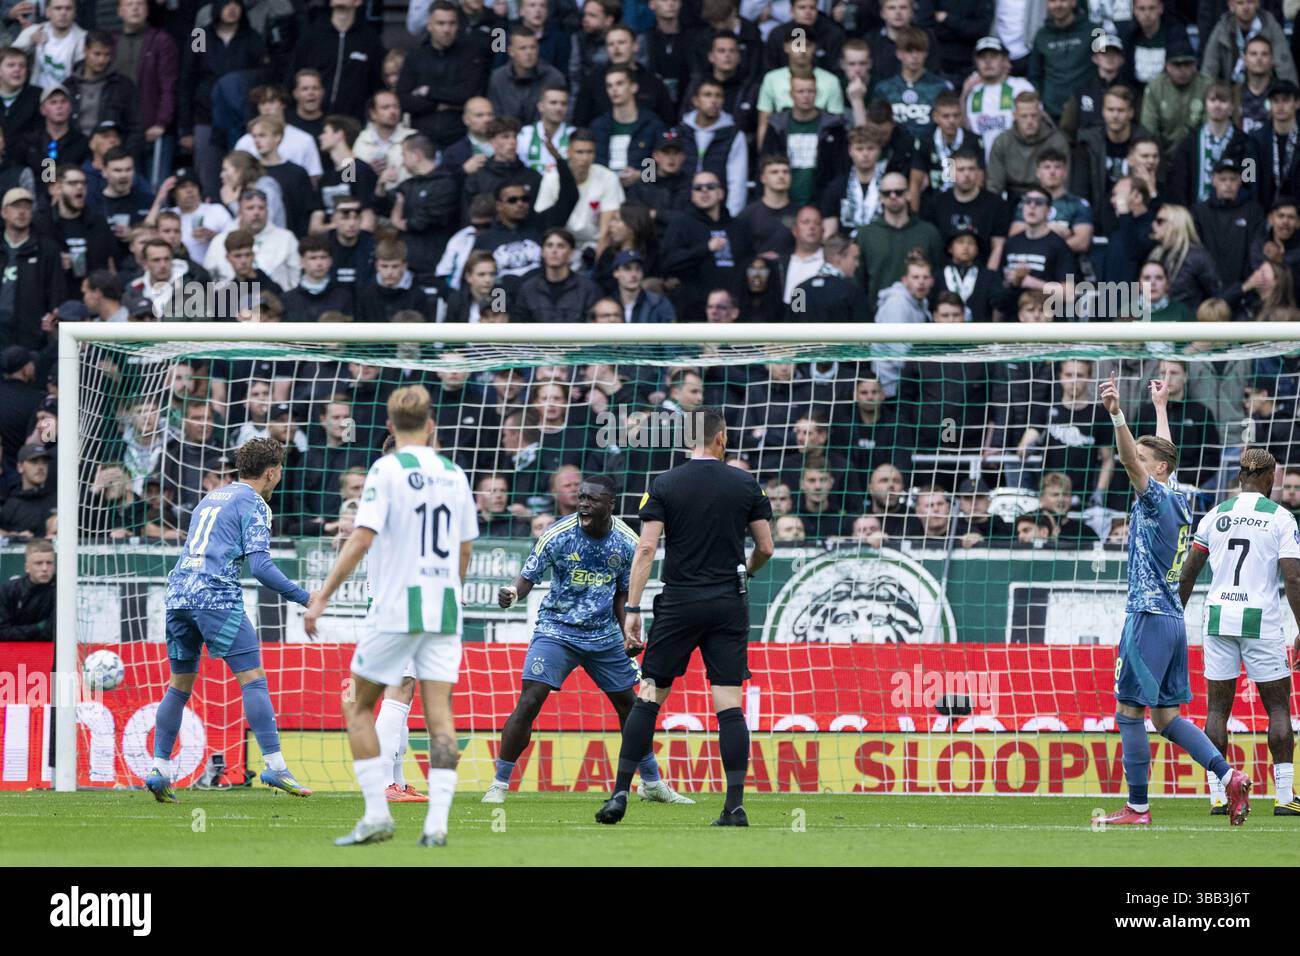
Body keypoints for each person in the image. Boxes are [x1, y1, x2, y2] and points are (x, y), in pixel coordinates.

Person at [305, 386, 479, 848]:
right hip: (443, 608)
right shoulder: (453, 474)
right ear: (431, 427)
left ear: (388, 425)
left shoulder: (385, 470)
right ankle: (437, 825)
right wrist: (451, 592)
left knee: (357, 706)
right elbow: (464, 549)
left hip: (395, 608)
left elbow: (360, 539)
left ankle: (378, 810)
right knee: (440, 717)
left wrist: (322, 596)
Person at [595, 406, 774, 827]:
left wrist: (633, 609)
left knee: (650, 695)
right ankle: (734, 807)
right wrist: (744, 574)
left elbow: (645, 549)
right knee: (729, 703)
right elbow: (766, 546)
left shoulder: (664, 483)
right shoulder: (746, 483)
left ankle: (620, 794)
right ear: (721, 438)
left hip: (679, 602)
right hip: (728, 602)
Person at [1095, 372, 1251, 827]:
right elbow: (1163, 456)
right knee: (1165, 718)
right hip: (1172, 620)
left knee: (1129, 712)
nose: (1141, 465)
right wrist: (1161, 408)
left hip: (1146, 616)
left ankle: (1138, 808)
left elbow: (1132, 462)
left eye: (1147, 462)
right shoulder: (1177, 495)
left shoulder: (1152, 499)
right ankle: (1229, 775)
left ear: (1155, 470)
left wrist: (1118, 416)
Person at [485, 475, 692, 805]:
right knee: (530, 699)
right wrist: (512, 592)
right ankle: (499, 783)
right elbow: (527, 576)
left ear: (610, 505)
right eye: (581, 497)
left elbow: (623, 594)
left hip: (604, 636)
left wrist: (628, 631)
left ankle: (651, 783)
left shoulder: (627, 542)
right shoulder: (559, 534)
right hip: (556, 631)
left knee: (633, 707)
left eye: (592, 500)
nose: (583, 503)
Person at [145, 437, 314, 804]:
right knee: (253, 681)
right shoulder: (254, 503)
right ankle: (276, 766)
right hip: (214, 597)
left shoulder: (212, 497)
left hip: (177, 597)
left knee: (179, 686)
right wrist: (305, 597)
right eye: (280, 470)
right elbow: (262, 568)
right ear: (271, 472)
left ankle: (160, 766)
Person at [1178, 447, 1300, 816]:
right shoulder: (1280, 517)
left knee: (1218, 709)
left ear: (1239, 476)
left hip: (1218, 617)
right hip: (1259, 617)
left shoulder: (1215, 515)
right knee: (1277, 707)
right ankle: (1284, 797)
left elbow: (1189, 571)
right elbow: (1293, 575)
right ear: (1269, 478)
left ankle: (1218, 794)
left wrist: (1173, 617)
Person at [0, 536, 54, 640]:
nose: (45, 568)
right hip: (11, 651)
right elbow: (2, 632)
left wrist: (19, 631)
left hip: (51, 651)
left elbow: (52, 632)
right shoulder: (8, 590)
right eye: (39, 563)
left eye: (49, 563)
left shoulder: (61, 590)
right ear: (27, 567)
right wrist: (39, 627)